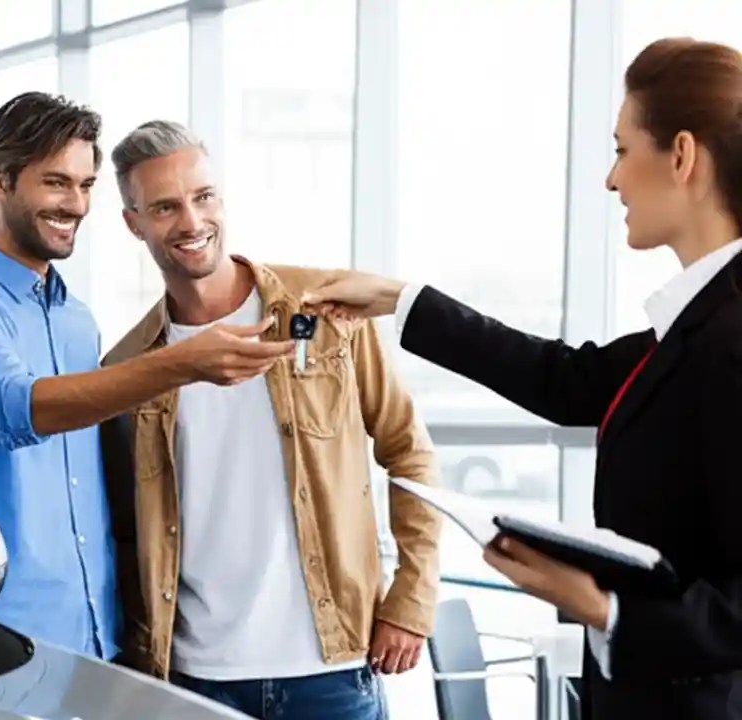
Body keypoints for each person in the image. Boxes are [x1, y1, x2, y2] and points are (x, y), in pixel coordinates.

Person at [304, 37, 742, 720]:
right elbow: (566, 379)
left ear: (681, 155)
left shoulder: (730, 337)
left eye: (623, 150)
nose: (611, 179)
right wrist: (400, 298)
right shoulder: (700, 323)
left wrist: (600, 606)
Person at [0, 93, 294, 661]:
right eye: (57, 183)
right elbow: (17, 410)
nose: (77, 204)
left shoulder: (77, 320)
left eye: (86, 186)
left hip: (100, 639)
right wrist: (182, 363)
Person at [97, 120, 441, 720]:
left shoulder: (327, 309)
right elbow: (125, 531)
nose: (191, 221)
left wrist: (412, 598)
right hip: (194, 679)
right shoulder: (129, 367)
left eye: (203, 197)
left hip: (330, 671)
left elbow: (406, 448)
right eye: (165, 207)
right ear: (134, 223)